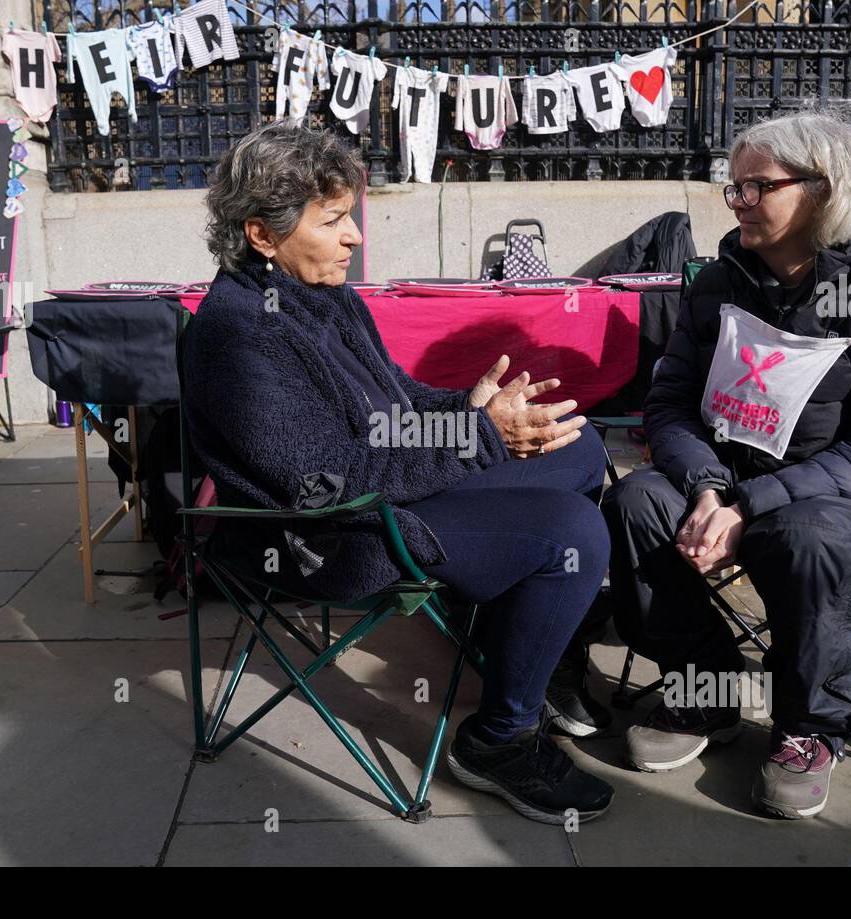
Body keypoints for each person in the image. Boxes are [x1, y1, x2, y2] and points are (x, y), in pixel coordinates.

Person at [184, 121, 614, 825]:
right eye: (333, 220)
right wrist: (478, 438)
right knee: (572, 533)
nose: (355, 235)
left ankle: (528, 645)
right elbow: (318, 479)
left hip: (387, 490)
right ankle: (499, 741)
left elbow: (398, 403)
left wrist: (470, 407)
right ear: (262, 235)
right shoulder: (241, 333)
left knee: (581, 447)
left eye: (349, 214)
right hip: (334, 534)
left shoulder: (325, 294)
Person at [602, 109, 851, 819]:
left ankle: (811, 726)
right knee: (635, 504)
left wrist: (750, 506)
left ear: (825, 189)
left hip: (839, 496)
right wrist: (708, 488)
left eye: (756, 187)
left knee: (808, 536)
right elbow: (668, 407)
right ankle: (708, 688)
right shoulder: (718, 283)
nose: (737, 203)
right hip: (721, 478)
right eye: (733, 188)